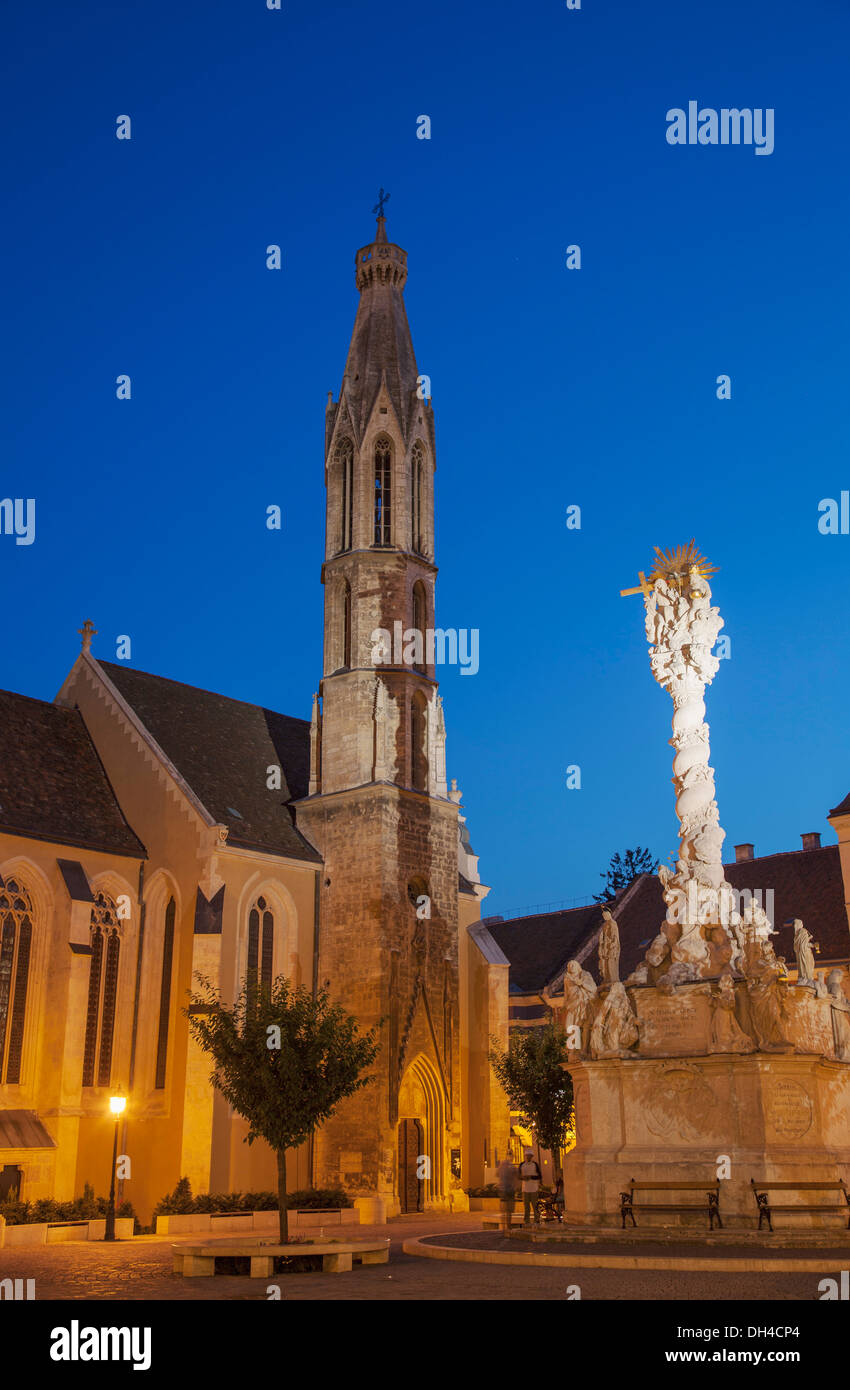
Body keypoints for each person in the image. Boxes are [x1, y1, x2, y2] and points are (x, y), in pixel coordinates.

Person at [496, 1151, 517, 1234]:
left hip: (503, 1189)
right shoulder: (512, 1167)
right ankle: (508, 1227)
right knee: (508, 1211)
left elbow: (497, 1174)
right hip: (509, 1190)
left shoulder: (501, 1165)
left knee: (504, 1210)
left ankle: (504, 1227)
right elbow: (517, 1176)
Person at [519, 1148, 542, 1225]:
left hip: (534, 1188)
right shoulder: (522, 1165)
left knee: (535, 1206)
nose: (528, 1157)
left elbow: (539, 1176)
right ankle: (526, 1221)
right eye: (527, 1156)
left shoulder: (535, 1165)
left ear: (532, 1156)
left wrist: (531, 1177)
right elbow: (518, 1176)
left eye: (530, 1156)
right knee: (526, 1207)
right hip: (525, 1189)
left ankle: (537, 1219)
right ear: (525, 1156)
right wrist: (522, 1177)